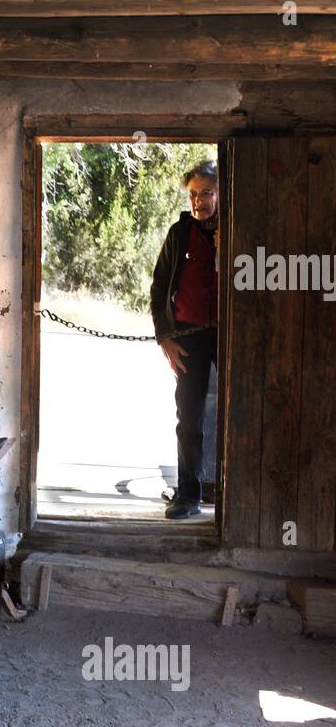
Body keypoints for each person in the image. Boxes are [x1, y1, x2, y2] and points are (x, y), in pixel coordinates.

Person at [150, 159, 219, 520]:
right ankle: (188, 495)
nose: (198, 202)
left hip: (230, 337)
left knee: (237, 414)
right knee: (188, 418)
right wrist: (165, 337)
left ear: (221, 193)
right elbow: (159, 286)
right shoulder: (179, 234)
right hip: (188, 337)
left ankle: (230, 495)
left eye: (206, 193)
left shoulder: (239, 226)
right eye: (194, 194)